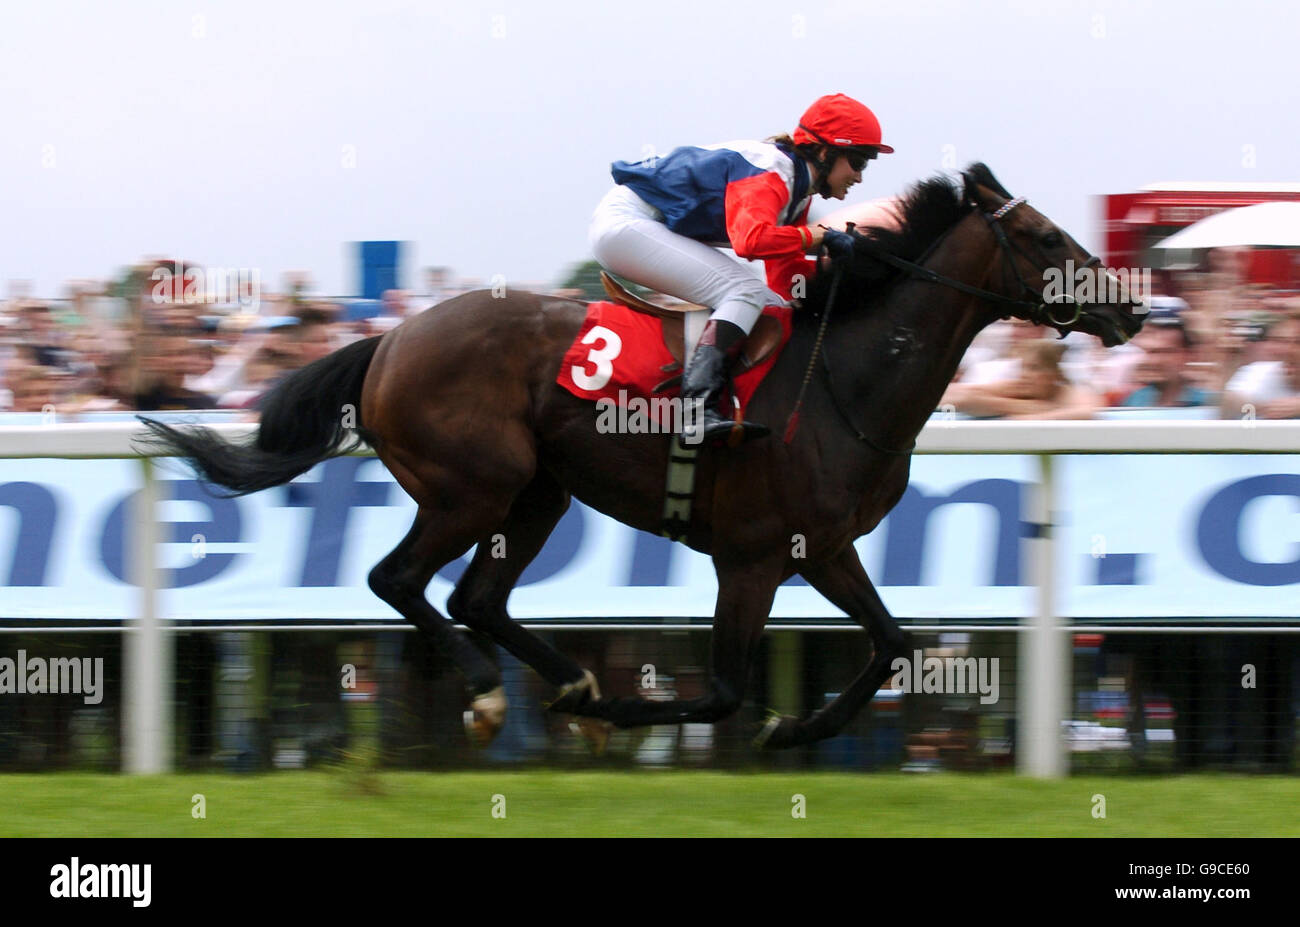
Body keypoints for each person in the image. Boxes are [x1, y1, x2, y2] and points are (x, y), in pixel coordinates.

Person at [588, 93, 893, 445]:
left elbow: (785, 282)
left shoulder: (798, 190)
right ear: (824, 153)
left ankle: (732, 399)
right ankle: (696, 411)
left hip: (647, 226)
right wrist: (818, 239)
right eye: (857, 163)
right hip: (628, 222)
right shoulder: (771, 170)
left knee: (769, 304)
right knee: (743, 291)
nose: (858, 177)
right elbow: (750, 241)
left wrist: (846, 281)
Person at [1120, 315, 1214, 408]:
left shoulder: (1208, 404)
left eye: (1166, 352)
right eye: (1152, 352)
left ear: (1187, 355)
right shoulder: (1135, 401)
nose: (1156, 361)